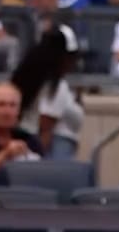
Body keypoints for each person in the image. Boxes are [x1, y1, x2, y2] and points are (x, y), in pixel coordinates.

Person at [11, 24, 83, 157]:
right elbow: (45, 130)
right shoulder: (56, 87)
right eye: (71, 56)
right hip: (54, 151)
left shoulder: (33, 79)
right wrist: (40, 163)